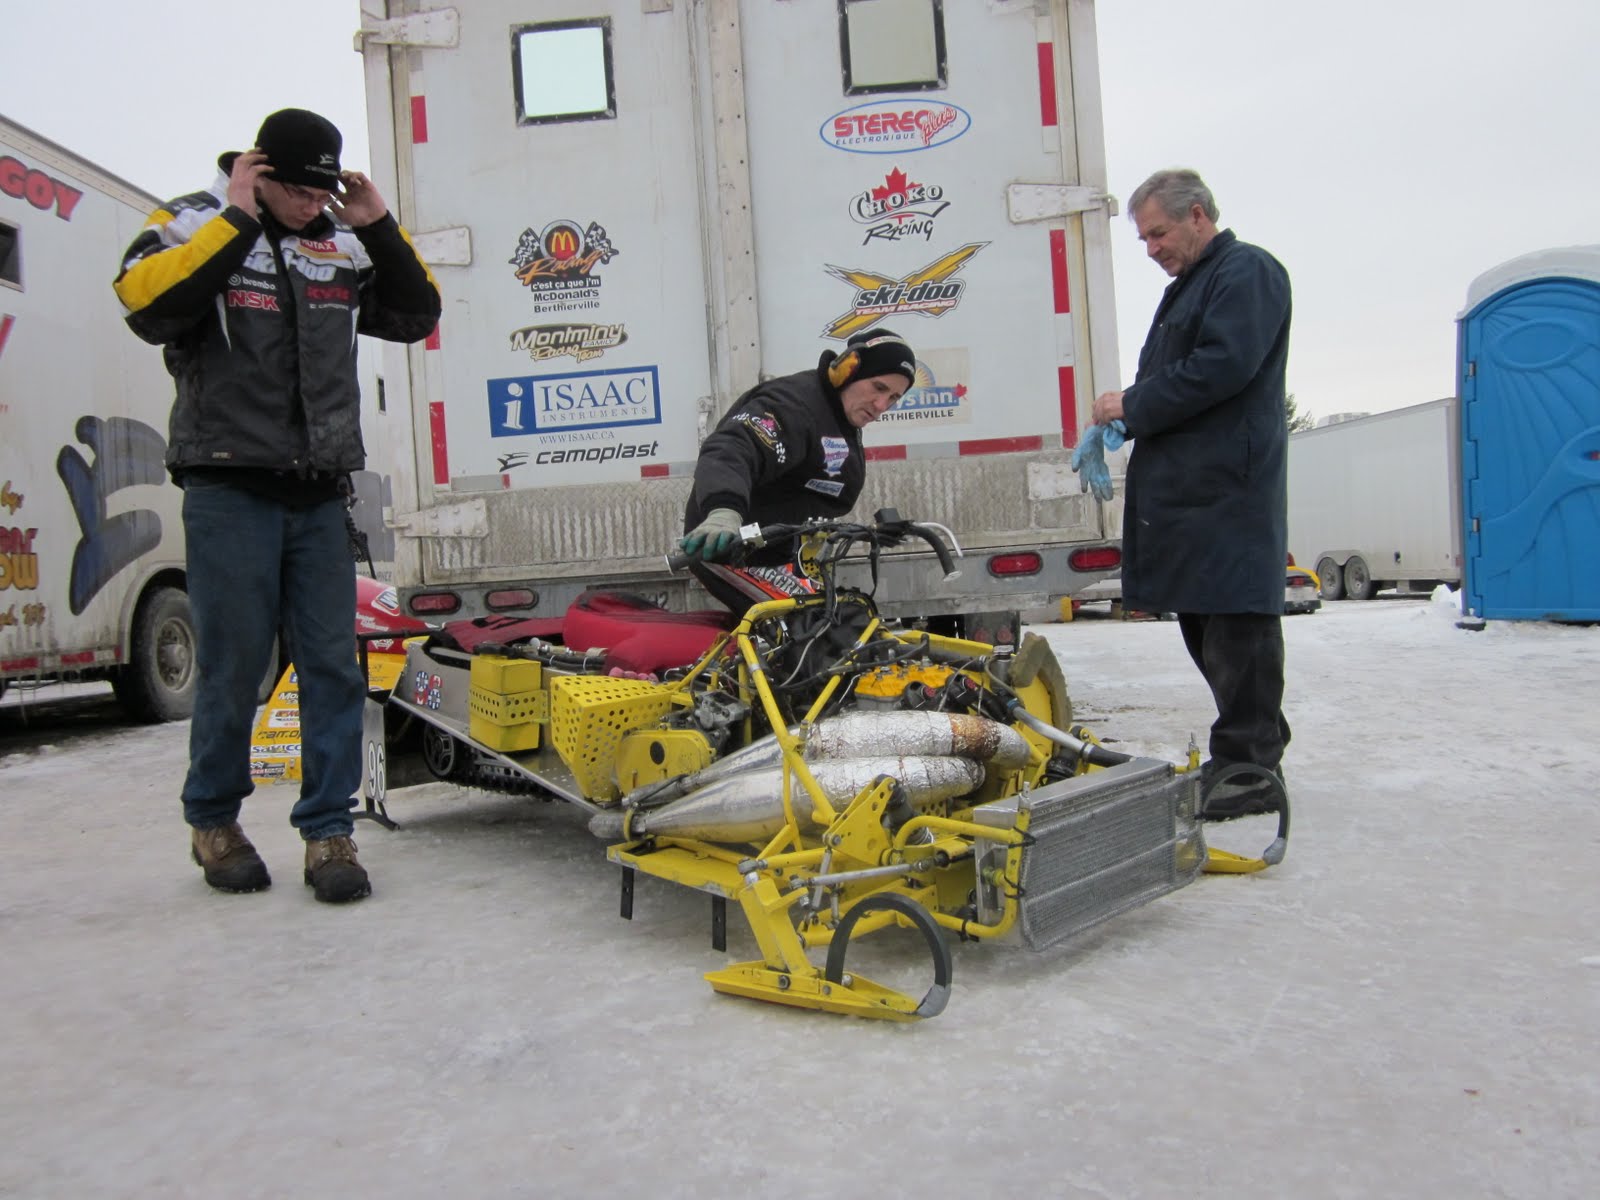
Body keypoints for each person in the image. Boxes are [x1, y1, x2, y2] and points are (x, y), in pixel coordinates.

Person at [113, 109, 442, 900]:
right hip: (229, 486)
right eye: (296, 189)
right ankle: (214, 822)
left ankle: (329, 834)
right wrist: (235, 217)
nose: (309, 204)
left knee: (332, 664)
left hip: (318, 494)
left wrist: (379, 224)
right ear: (257, 173)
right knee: (232, 665)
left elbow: (416, 314)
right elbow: (146, 305)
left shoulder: (338, 239)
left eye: (322, 190)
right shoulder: (189, 220)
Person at [1086, 168, 1292, 819]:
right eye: (1144, 238)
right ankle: (1242, 755)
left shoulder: (1246, 273)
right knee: (1208, 625)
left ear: (1198, 215)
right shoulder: (1193, 286)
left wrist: (1133, 403)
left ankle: (1251, 769)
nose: (1151, 248)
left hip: (1227, 493)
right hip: (1194, 495)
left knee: (1238, 628)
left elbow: (1222, 366)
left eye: (1158, 233)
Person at [679, 328, 916, 613]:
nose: (881, 406)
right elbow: (732, 448)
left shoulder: (837, 413)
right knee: (819, 632)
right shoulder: (792, 406)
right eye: (878, 388)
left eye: (892, 398)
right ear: (847, 370)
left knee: (846, 627)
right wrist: (723, 510)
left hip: (780, 554)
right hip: (731, 550)